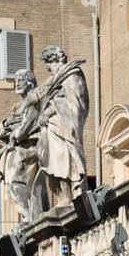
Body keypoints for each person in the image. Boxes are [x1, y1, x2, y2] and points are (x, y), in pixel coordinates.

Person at [34, 45, 89, 208]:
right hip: (52, 128)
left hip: (64, 127)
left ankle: (69, 196)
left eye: (48, 66)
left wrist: (50, 110)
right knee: (53, 162)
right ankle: (63, 197)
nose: (49, 70)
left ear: (53, 60)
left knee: (64, 160)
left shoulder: (72, 74)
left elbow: (75, 102)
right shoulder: (58, 77)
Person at [0, 69, 47, 226]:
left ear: (30, 82)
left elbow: (27, 125)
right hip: (18, 149)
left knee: (18, 182)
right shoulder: (18, 107)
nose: (17, 83)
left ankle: (31, 216)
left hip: (29, 148)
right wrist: (6, 126)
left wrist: (14, 132)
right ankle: (28, 216)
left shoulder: (35, 100)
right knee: (13, 182)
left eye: (21, 79)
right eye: (16, 80)